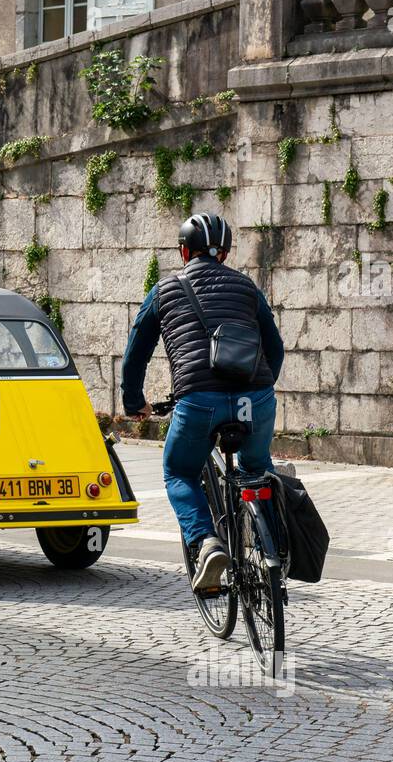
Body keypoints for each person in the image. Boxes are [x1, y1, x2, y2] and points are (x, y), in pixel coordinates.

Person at [120, 213, 285, 592]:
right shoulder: (246, 287)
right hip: (255, 397)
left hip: (199, 401)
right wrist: (260, 390)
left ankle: (207, 543)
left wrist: (135, 402)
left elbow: (136, 354)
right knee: (256, 467)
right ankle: (274, 545)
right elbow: (274, 348)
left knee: (179, 472)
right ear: (224, 254)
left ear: (183, 251)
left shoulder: (164, 290)